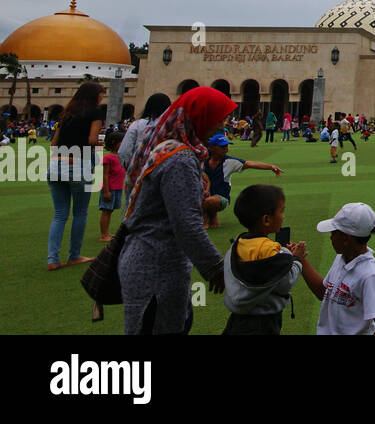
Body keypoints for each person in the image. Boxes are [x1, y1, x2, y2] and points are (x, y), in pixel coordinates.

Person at [120, 86, 236, 333]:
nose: (221, 128)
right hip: (156, 267)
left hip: (149, 262)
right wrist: (215, 268)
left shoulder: (167, 147)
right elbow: (187, 224)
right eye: (218, 120)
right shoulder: (180, 160)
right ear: (200, 119)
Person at [299, 203, 375, 335]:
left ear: (345, 238)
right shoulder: (341, 259)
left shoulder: (369, 274)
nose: (330, 237)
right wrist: (301, 260)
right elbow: (323, 292)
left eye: (333, 233)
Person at [222, 184, 301, 334]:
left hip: (238, 318)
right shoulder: (270, 249)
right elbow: (285, 283)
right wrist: (296, 259)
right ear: (266, 220)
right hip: (265, 321)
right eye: (281, 211)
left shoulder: (235, 246)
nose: (283, 216)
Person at [47, 81, 106, 271]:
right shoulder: (95, 112)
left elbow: (54, 143)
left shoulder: (65, 113)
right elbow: (90, 139)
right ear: (93, 96)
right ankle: (74, 255)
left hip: (56, 165)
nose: (102, 97)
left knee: (59, 215)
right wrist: (99, 143)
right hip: (79, 165)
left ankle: (53, 259)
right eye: (100, 94)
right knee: (80, 212)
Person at [202, 133, 285, 228]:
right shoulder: (202, 161)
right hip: (203, 195)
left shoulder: (230, 162)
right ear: (212, 148)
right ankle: (212, 218)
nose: (226, 149)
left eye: (227, 146)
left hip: (220, 198)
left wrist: (271, 167)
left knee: (210, 201)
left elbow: (250, 164)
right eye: (223, 147)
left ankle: (205, 219)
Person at [119, 92, 171, 173]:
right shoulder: (172, 126)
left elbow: (124, 151)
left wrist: (129, 167)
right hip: (164, 170)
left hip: (139, 170)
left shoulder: (137, 125)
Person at [97, 131, 127, 242]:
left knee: (110, 211)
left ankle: (106, 233)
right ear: (114, 143)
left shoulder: (120, 156)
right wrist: (106, 191)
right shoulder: (108, 157)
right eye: (121, 142)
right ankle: (103, 235)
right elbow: (105, 175)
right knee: (106, 211)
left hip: (118, 188)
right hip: (110, 188)